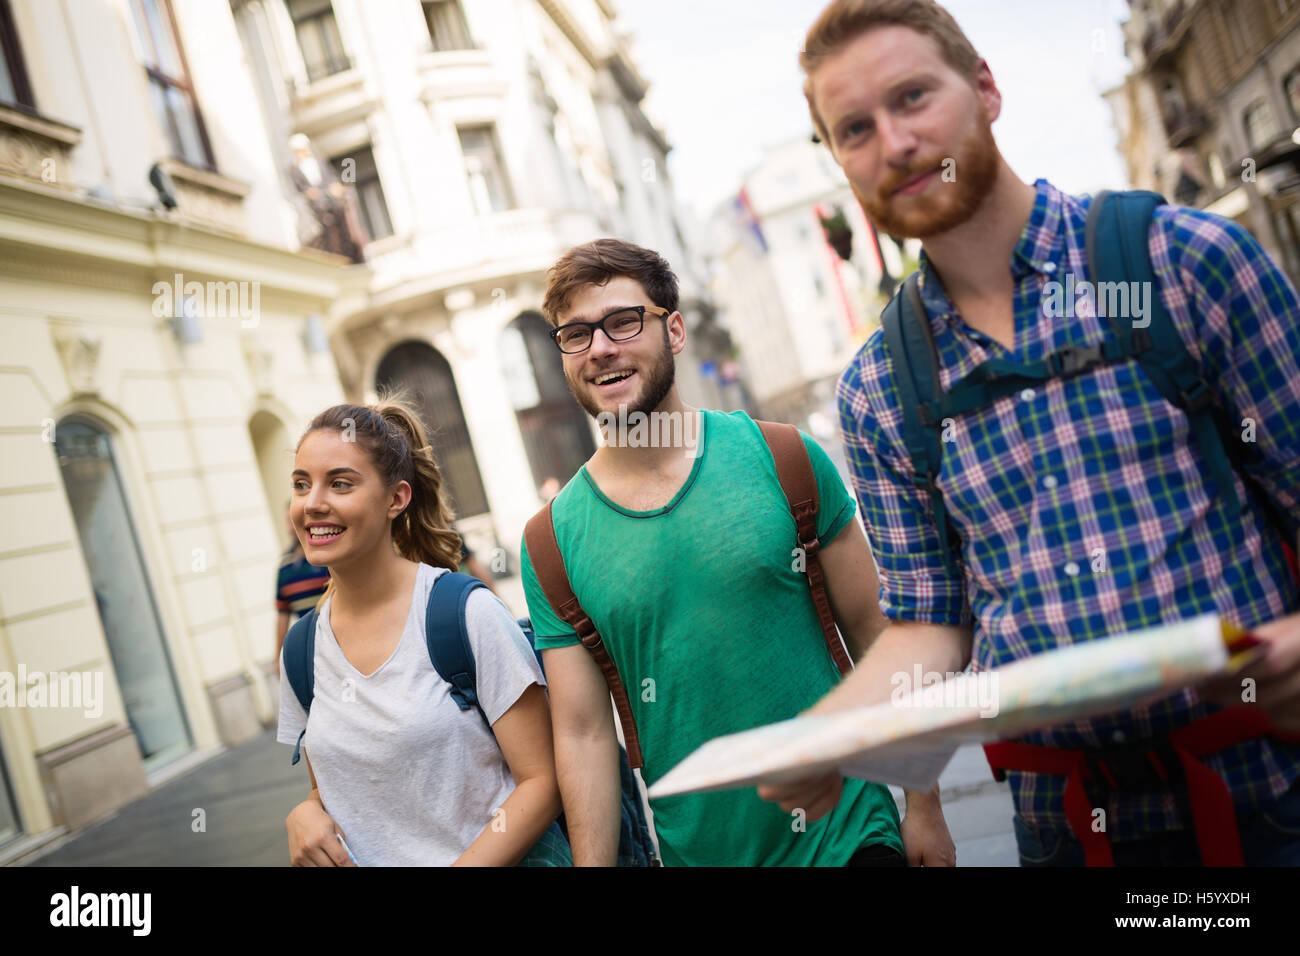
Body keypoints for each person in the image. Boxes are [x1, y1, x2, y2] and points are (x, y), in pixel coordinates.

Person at [764, 0, 1300, 866]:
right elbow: (930, 621)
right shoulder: (879, 389)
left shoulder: (1183, 262)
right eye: (854, 128)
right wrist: (845, 722)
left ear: (985, 89)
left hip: (1268, 797)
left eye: (912, 99)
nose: (893, 143)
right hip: (1067, 826)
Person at [519, 238, 954, 866]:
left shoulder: (786, 458)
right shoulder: (550, 543)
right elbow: (585, 733)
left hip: (851, 839)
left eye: (622, 321)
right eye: (577, 334)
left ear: (674, 331)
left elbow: (877, 635)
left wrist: (926, 808)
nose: (601, 348)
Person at [276, 397, 565, 866]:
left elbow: (542, 780)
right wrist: (304, 813)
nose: (313, 504)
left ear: (396, 498)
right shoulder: (302, 651)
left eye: (340, 484)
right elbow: (330, 786)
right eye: (301, 484)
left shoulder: (464, 613)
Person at [274, 503, 331, 675]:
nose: (291, 527)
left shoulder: (327, 554)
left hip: (338, 643)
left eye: (295, 520)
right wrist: (278, 658)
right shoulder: (284, 565)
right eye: (288, 521)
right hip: (310, 652)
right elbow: (282, 613)